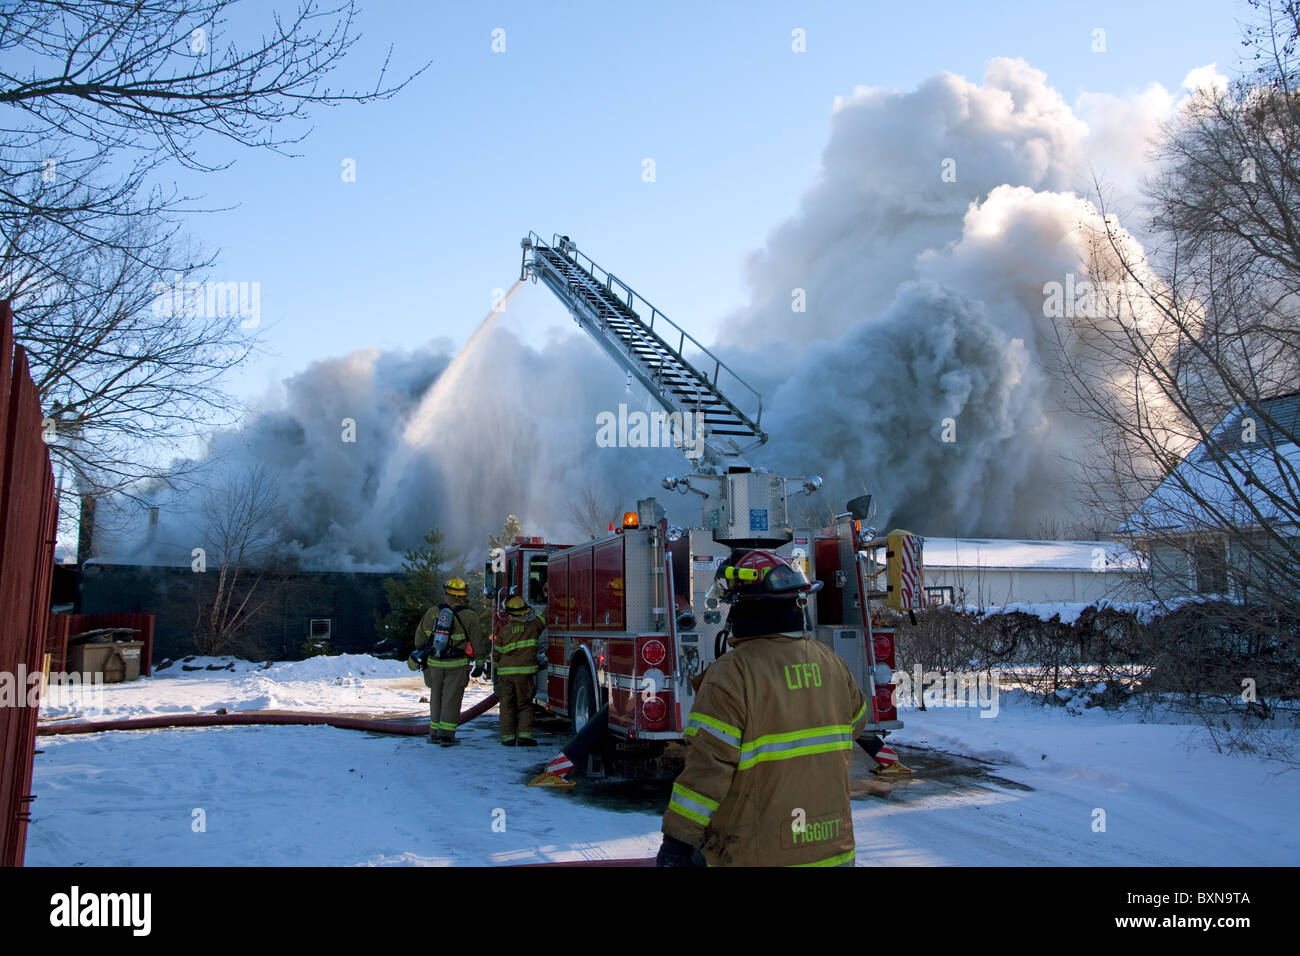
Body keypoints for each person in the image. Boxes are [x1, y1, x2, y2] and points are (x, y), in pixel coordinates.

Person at [656, 549, 871, 867]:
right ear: (797, 603)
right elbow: (857, 722)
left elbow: (706, 774)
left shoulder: (731, 675)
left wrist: (676, 842)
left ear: (740, 609)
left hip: (760, 855)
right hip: (836, 853)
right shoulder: (832, 663)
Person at [412, 578, 482, 747]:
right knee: (451, 700)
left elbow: (419, 638)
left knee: (435, 698)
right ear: (464, 594)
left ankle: (434, 733)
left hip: (434, 664)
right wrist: (479, 663)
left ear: (447, 593)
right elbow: (479, 643)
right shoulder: (469, 615)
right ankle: (446, 736)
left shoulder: (433, 612)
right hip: (457, 665)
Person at [491, 595, 548, 746]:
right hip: (524, 676)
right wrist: (551, 596)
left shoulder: (504, 631)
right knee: (524, 705)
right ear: (525, 612)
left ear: (509, 613)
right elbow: (544, 617)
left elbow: (496, 655)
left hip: (506, 676)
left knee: (507, 706)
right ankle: (524, 737)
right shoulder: (533, 627)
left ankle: (508, 738)